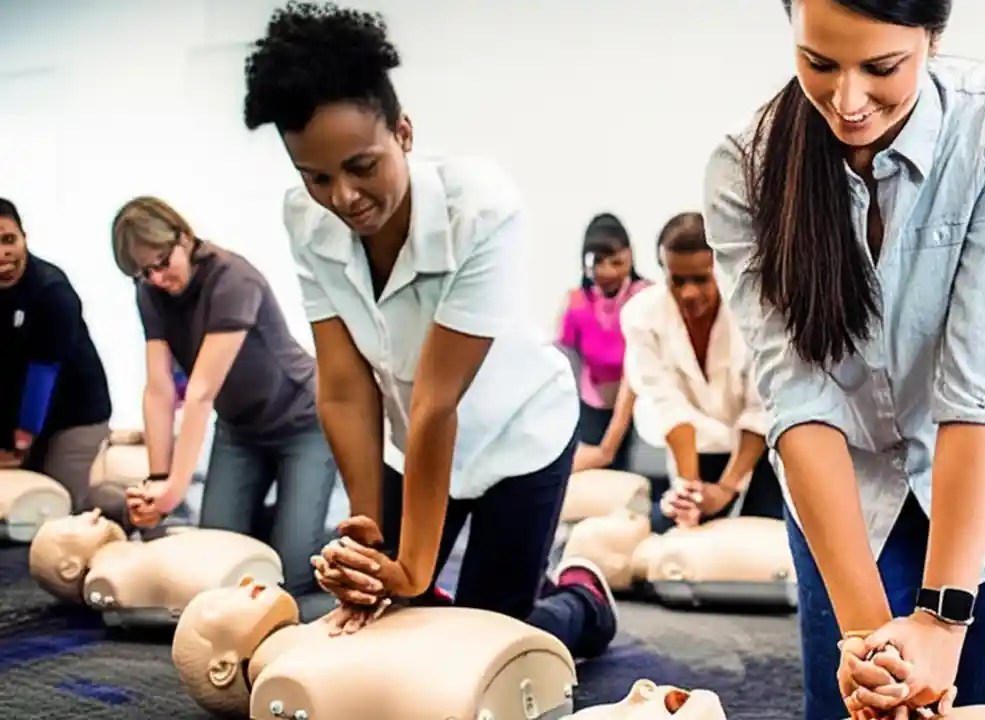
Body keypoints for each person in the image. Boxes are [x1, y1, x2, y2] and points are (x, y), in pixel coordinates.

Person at [702, 1, 985, 718]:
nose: (848, 101)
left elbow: (975, 394)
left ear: (933, 37)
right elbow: (800, 404)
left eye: (882, 67)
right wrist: (870, 644)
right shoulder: (745, 168)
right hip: (849, 478)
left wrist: (941, 622)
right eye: (819, 64)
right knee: (868, 703)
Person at [241, 1, 617, 657]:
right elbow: (343, 387)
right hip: (408, 443)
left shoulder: (483, 207)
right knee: (383, 624)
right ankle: (436, 597)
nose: (343, 198)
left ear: (404, 133)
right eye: (317, 176)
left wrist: (410, 567)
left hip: (515, 439)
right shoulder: (304, 218)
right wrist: (367, 538)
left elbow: (437, 400)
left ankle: (582, 601)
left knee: (486, 651)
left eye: (362, 166)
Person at [112, 196, 337, 597]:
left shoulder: (233, 278)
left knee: (295, 577)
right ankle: (284, 524)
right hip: (241, 430)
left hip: (303, 422)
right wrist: (157, 481)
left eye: (163, 263)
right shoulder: (150, 291)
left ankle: (317, 535)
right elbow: (160, 389)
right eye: (144, 272)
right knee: (216, 560)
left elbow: (199, 393)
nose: (158, 278)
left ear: (185, 238)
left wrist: (173, 492)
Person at [621, 212, 784, 533]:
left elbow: (760, 407)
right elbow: (668, 405)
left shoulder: (758, 312)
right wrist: (690, 492)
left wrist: (727, 489)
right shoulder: (641, 316)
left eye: (701, 279)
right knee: (682, 527)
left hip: (759, 449)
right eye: (677, 281)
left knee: (759, 539)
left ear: (720, 271)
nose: (689, 294)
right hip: (693, 448)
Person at [0, 198, 112, 513]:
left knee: (58, 513)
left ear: (24, 238)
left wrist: (21, 444)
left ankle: (127, 508)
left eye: (9, 240)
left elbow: (42, 374)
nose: (3, 253)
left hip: (73, 416)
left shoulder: (52, 291)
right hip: (17, 413)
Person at [558, 213, 650, 472]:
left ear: (629, 257)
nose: (607, 271)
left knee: (621, 471)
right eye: (598, 263)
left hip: (636, 404)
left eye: (616, 262)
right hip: (592, 403)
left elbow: (635, 372)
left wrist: (607, 449)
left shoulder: (644, 299)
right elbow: (564, 364)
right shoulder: (576, 303)